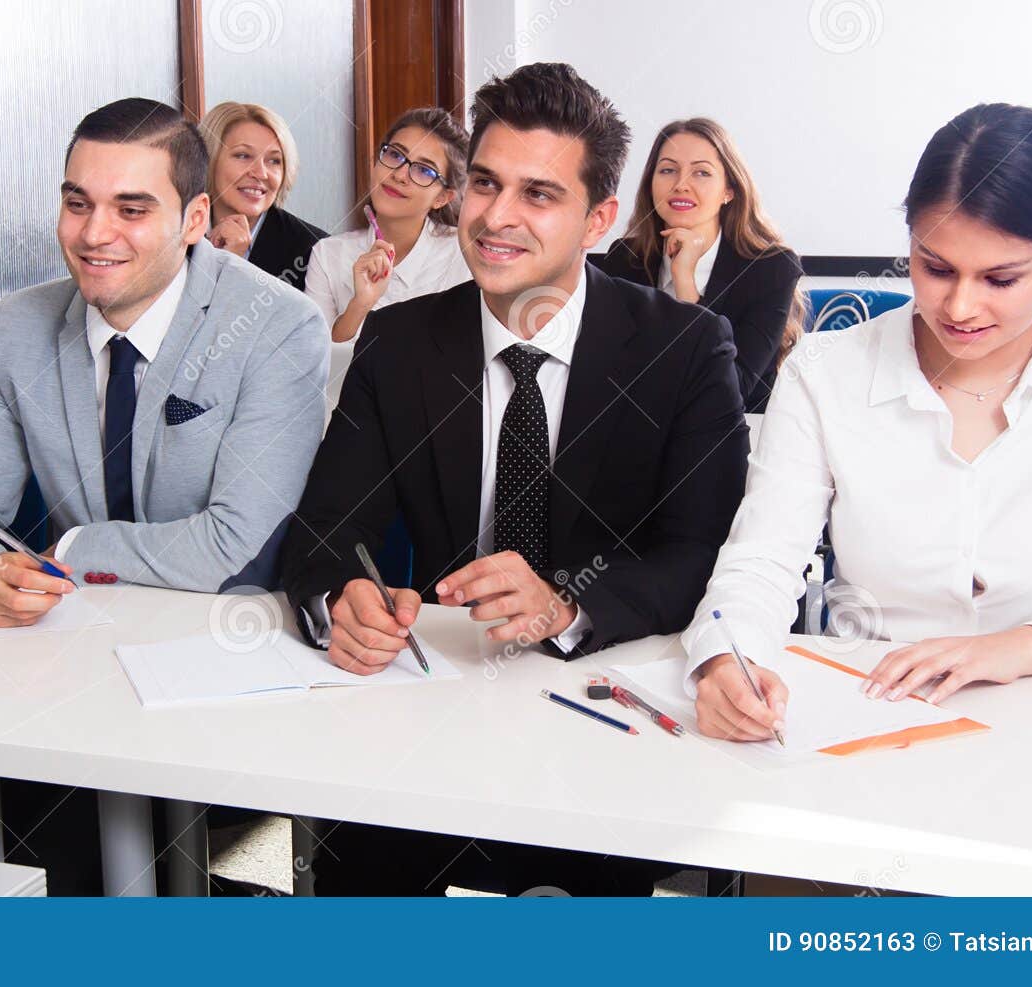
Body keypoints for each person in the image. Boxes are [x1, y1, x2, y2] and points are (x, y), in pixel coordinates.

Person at [279, 63, 749, 894]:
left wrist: (570, 606)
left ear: (599, 218)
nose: (495, 218)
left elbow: (700, 554)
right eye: (485, 184)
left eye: (538, 194)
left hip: (605, 715)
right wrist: (337, 598)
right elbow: (325, 530)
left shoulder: (686, 349)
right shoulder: (399, 342)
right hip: (434, 708)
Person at [684, 103, 1032, 743]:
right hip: (862, 717)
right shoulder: (825, 371)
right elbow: (760, 562)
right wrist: (725, 660)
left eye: (1001, 279)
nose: (959, 307)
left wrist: (1025, 647)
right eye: (936, 268)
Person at [0, 97, 327, 628]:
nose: (93, 235)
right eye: (78, 204)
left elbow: (236, 548)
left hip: (224, 640)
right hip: (68, 637)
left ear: (195, 219)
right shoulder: (21, 327)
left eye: (131, 210)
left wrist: (72, 548)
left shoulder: (280, 325)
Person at [596, 118, 804, 413]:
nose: (681, 185)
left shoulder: (771, 270)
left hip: (734, 437)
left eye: (702, 173)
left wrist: (685, 283)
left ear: (728, 190)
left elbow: (733, 390)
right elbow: (607, 372)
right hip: (641, 433)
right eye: (667, 170)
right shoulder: (624, 259)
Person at [303, 107, 473, 404]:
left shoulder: (465, 256)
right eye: (395, 155)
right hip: (346, 419)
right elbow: (316, 365)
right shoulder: (328, 255)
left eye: (424, 170)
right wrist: (361, 304)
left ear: (443, 197)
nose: (400, 174)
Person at [197, 101, 326, 290]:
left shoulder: (313, 252)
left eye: (274, 160)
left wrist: (233, 266)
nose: (261, 173)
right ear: (209, 159)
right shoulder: (176, 235)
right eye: (243, 156)